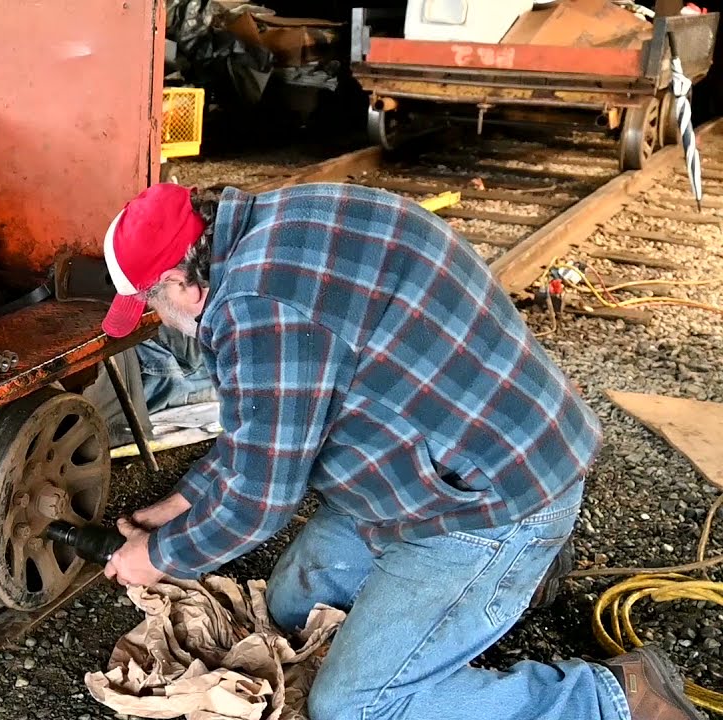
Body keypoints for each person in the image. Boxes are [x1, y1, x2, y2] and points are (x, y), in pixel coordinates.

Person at [96, 181, 702, 720]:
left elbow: (260, 500)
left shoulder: (255, 309)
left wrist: (160, 557)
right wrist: (177, 505)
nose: (162, 318)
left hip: (489, 502)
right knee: (292, 605)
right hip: (466, 450)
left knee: (355, 707)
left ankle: (610, 698)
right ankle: (507, 586)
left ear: (181, 283)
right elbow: (265, 436)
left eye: (153, 304)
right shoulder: (290, 209)